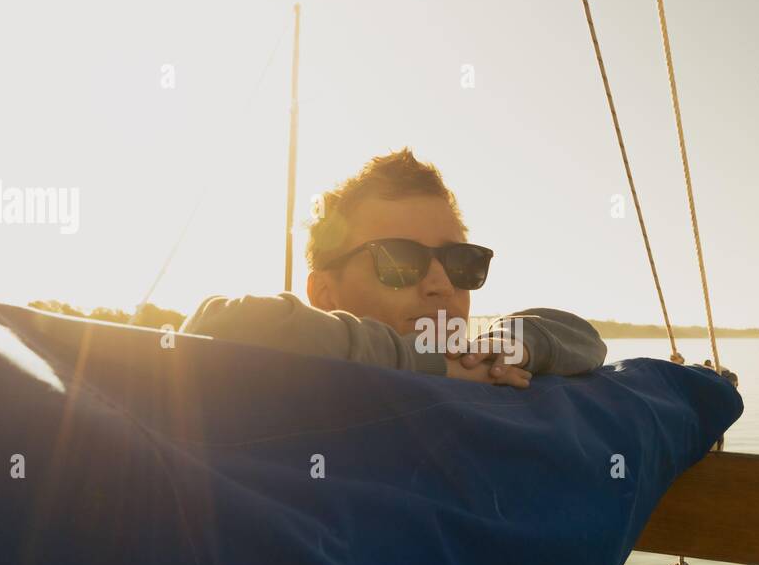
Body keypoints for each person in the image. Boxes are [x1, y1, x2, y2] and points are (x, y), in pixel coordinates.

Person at [180, 149, 607, 388]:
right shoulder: (291, 383)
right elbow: (225, 325)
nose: (441, 284)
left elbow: (583, 339)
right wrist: (434, 365)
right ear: (325, 293)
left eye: (462, 262)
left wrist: (506, 346)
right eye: (401, 261)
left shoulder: (482, 364)